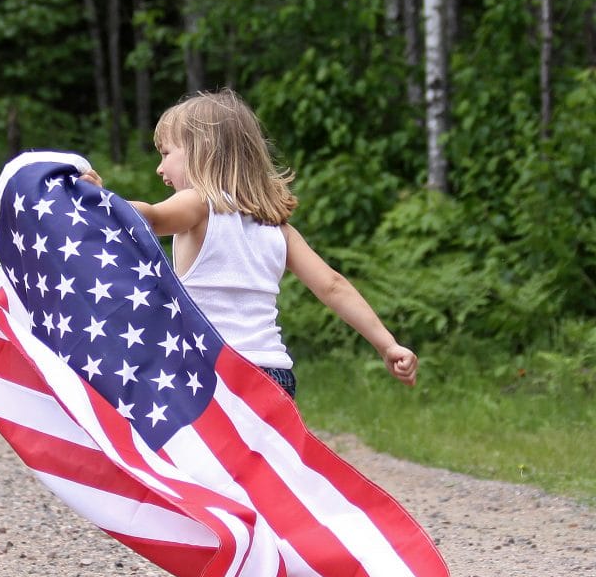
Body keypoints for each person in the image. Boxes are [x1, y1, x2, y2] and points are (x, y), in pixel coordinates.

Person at [83, 88, 417, 401]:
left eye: (166, 153)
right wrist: (387, 344)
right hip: (273, 376)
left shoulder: (198, 204)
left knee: (196, 462)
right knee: (259, 466)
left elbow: (150, 218)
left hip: (211, 373)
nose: (159, 168)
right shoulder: (277, 227)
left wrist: (100, 200)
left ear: (202, 149)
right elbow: (333, 286)